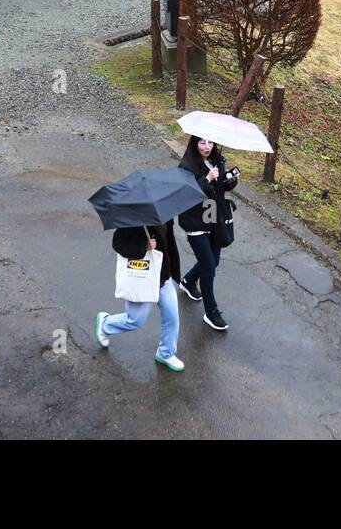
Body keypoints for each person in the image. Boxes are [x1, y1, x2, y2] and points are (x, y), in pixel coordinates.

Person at [95, 219, 184, 372]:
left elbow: (169, 241)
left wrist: (173, 269)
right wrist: (144, 246)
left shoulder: (164, 211)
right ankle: (105, 324)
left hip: (163, 275)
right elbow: (118, 244)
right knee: (135, 320)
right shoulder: (133, 218)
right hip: (144, 277)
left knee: (172, 317)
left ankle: (166, 353)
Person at [176, 135, 238, 331]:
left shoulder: (216, 159)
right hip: (194, 219)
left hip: (213, 216)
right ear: (195, 143)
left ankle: (188, 281)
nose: (207, 146)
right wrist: (207, 179)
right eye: (202, 142)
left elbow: (217, 189)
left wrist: (228, 182)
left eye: (211, 142)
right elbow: (187, 195)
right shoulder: (186, 165)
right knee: (209, 268)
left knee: (213, 261)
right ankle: (211, 312)